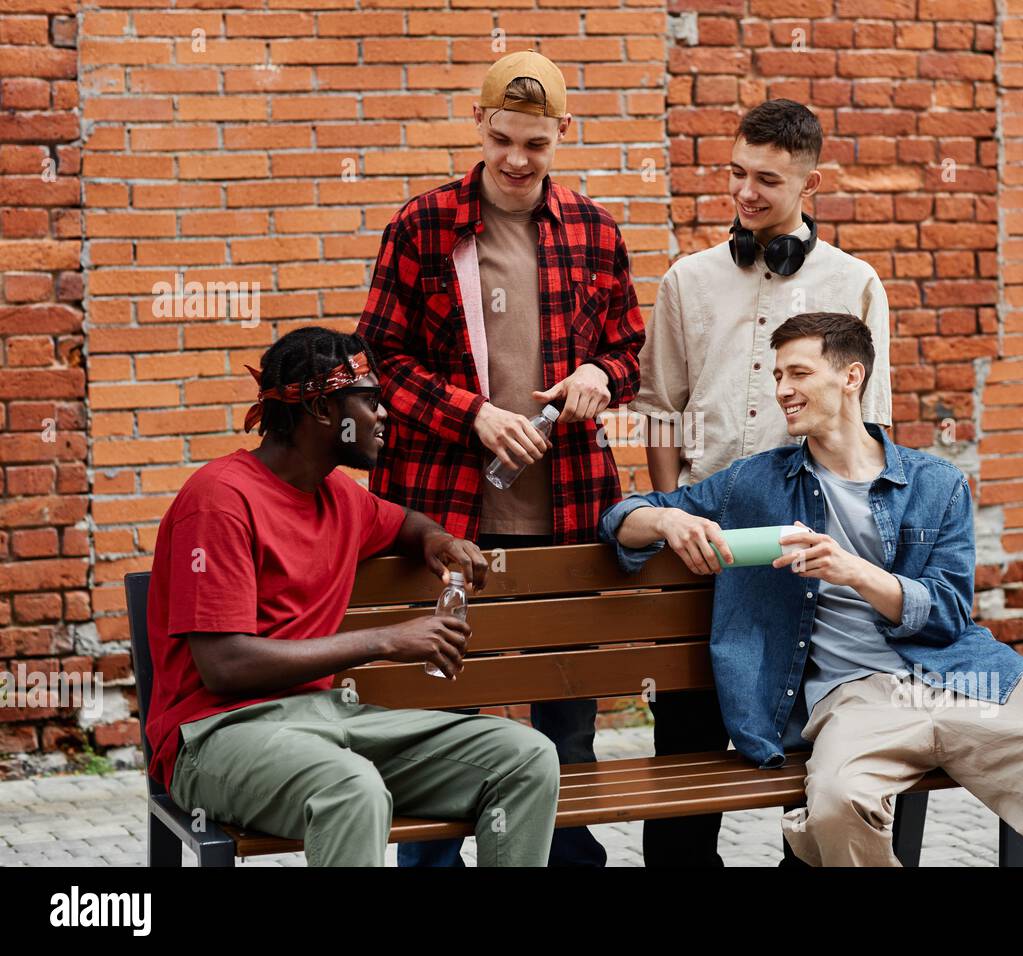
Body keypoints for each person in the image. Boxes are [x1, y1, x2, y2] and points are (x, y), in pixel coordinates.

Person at [601, 313, 1023, 866]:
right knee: (835, 802)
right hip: (855, 696)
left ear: (851, 377)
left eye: (799, 374)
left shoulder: (937, 483)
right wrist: (667, 523)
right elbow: (623, 516)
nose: (782, 390)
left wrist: (854, 570)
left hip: (958, 675)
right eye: (778, 375)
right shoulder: (754, 481)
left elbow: (949, 613)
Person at [355, 50, 644, 867]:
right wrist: (473, 415)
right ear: (479, 124)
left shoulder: (593, 229)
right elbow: (377, 362)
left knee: (568, 721)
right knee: (441, 720)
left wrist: (599, 374)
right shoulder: (423, 225)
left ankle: (569, 858)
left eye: (537, 144)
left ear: (563, 135)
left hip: (566, 512)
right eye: (505, 138)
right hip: (447, 516)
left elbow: (629, 349)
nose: (518, 160)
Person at [145, 327, 560, 867]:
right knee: (350, 788)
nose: (384, 414)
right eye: (369, 400)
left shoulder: (339, 495)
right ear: (321, 407)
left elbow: (405, 524)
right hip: (216, 736)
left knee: (525, 757)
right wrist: (387, 640)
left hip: (325, 719)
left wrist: (437, 540)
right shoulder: (219, 501)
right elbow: (224, 664)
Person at [630, 99, 893, 866]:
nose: (745, 194)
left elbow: (868, 431)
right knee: (682, 742)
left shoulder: (855, 282)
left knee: (809, 747)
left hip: (805, 546)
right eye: (737, 174)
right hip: (702, 538)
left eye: (768, 181)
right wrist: (674, 512)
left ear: (812, 181)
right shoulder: (689, 279)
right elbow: (657, 412)